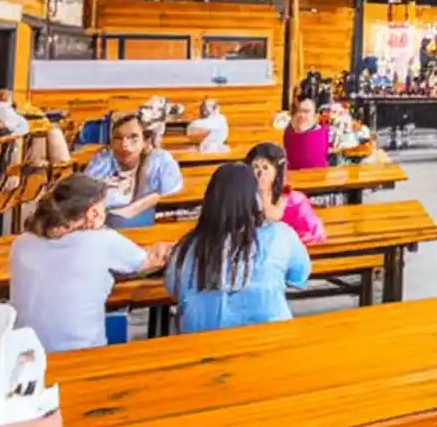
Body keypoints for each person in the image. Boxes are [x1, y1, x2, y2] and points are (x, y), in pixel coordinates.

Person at [9, 174, 171, 352]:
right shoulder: (102, 240)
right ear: (92, 214)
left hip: (23, 356)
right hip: (83, 353)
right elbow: (150, 261)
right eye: (104, 209)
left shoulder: (20, 243)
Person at [165, 163, 311, 334]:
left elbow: (172, 287)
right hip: (270, 343)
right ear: (255, 198)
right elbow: (300, 275)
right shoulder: (280, 235)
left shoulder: (186, 246)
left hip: (203, 348)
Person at [83, 114, 183, 228]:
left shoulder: (159, 159)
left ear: (145, 141)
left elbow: (172, 191)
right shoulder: (103, 160)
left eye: (133, 138)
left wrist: (142, 204)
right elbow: (85, 191)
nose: (124, 145)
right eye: (118, 139)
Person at [245, 143, 326, 244]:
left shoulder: (295, 201)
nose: (260, 173)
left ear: (277, 172)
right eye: (255, 167)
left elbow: (316, 233)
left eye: (265, 167)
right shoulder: (243, 197)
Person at [281, 99, 329, 169]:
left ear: (315, 116)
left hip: (317, 175)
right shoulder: (288, 132)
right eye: (298, 111)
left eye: (306, 111)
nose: (301, 115)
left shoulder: (323, 132)